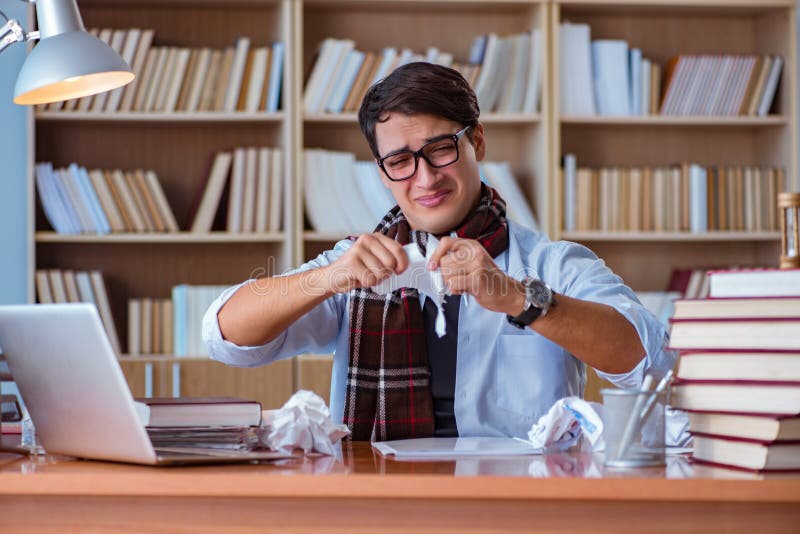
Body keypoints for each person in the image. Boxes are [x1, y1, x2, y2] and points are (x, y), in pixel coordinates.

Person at [203, 62, 674, 442]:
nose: (425, 179)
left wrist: (516, 298)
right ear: (383, 173)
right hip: (381, 495)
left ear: (478, 142)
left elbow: (650, 364)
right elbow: (225, 338)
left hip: (525, 499)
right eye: (401, 162)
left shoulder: (551, 263)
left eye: (441, 149)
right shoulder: (358, 265)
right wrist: (327, 278)